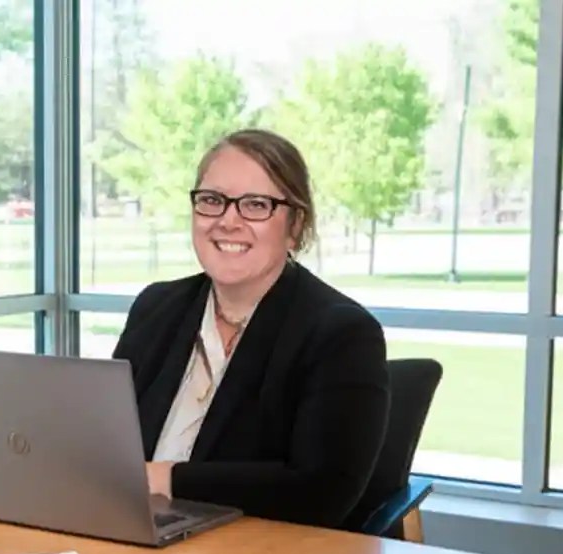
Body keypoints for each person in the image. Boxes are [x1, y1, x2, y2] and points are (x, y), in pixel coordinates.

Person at [113, 128, 390, 530]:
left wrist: (163, 478)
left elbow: (322, 493)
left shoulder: (341, 334)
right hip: (135, 538)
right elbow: (111, 447)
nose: (228, 221)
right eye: (212, 200)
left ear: (295, 225)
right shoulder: (156, 307)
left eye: (256, 205)